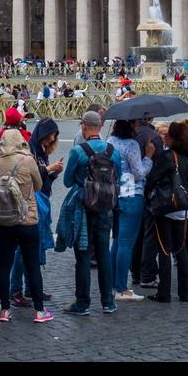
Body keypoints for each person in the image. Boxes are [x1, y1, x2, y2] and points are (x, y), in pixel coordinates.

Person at [62, 110, 122, 314]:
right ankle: (108, 302)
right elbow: (118, 178)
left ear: (84, 126)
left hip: (83, 207)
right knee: (104, 253)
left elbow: (67, 181)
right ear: (101, 126)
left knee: (83, 255)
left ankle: (83, 302)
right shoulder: (113, 151)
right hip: (106, 207)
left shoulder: (78, 152)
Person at [0, 129, 53, 323]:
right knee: (32, 265)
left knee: (4, 265)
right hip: (27, 219)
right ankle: (40, 311)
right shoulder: (27, 161)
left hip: (4, 220)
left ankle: (5, 310)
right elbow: (39, 185)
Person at [144, 120, 188, 302]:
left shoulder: (168, 156)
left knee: (164, 250)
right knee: (181, 250)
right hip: (184, 207)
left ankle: (164, 292)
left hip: (167, 206)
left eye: (167, 135)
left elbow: (153, 178)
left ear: (173, 138)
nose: (164, 138)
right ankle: (185, 292)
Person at [109, 119, 147, 302]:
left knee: (116, 242)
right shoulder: (131, 144)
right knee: (125, 243)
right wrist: (149, 159)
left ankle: (111, 284)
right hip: (132, 193)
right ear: (131, 125)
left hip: (116, 194)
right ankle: (122, 289)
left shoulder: (111, 141)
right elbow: (138, 173)